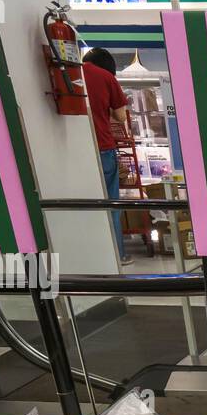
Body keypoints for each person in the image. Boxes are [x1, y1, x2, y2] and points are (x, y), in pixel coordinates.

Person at [82, 46, 131, 265]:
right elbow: (120, 116)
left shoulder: (69, 71)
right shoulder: (106, 78)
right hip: (102, 146)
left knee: (82, 205)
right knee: (110, 205)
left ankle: (90, 257)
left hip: (75, 150)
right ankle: (116, 256)